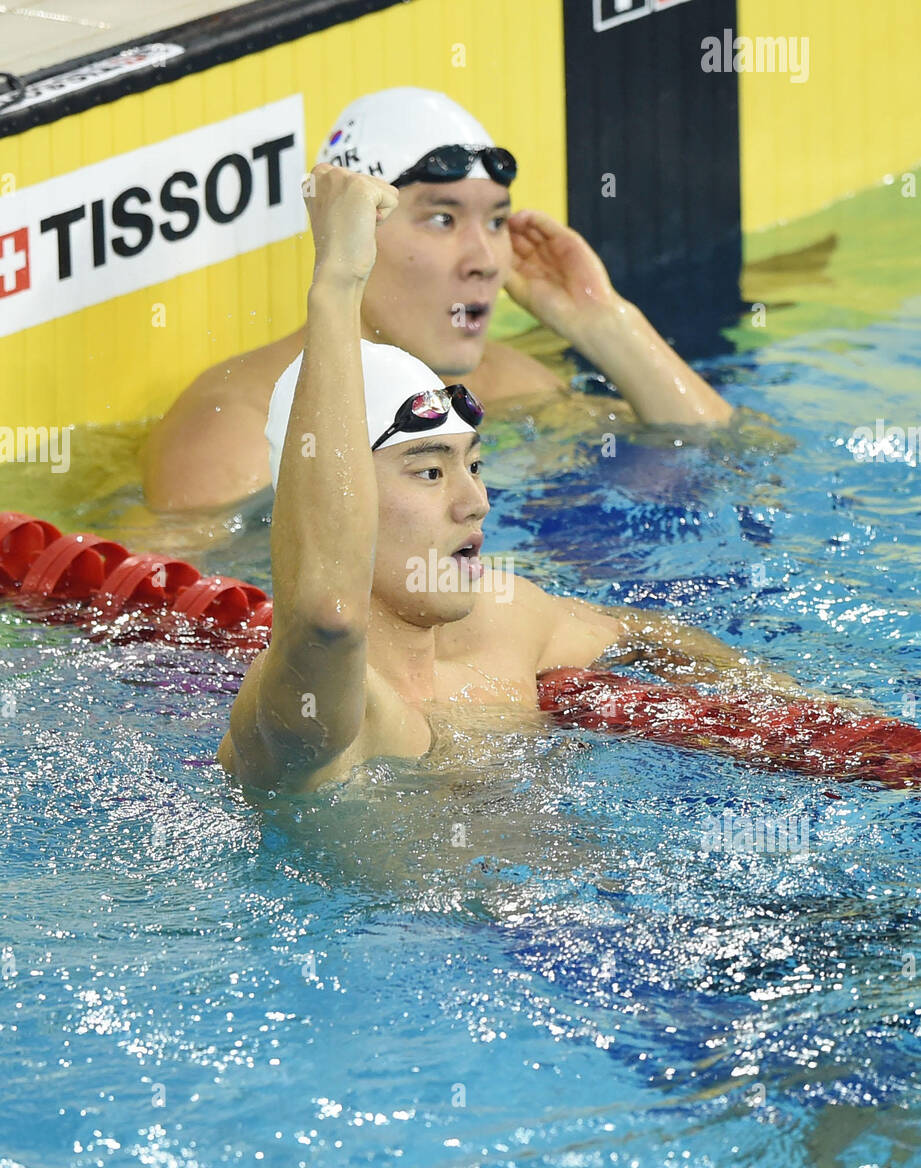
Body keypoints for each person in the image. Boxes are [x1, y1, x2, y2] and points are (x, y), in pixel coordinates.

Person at [218, 166, 801, 795]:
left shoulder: (502, 624)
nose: (476, 503)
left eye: (473, 465)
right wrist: (337, 281)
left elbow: (645, 633)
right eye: (430, 471)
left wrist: (813, 713)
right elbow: (326, 617)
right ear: (338, 496)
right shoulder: (317, 718)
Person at [146, 88, 732, 513]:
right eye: (442, 218)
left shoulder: (506, 382)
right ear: (353, 229)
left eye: (497, 221)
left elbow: (727, 467)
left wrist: (607, 324)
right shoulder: (240, 433)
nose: (484, 259)